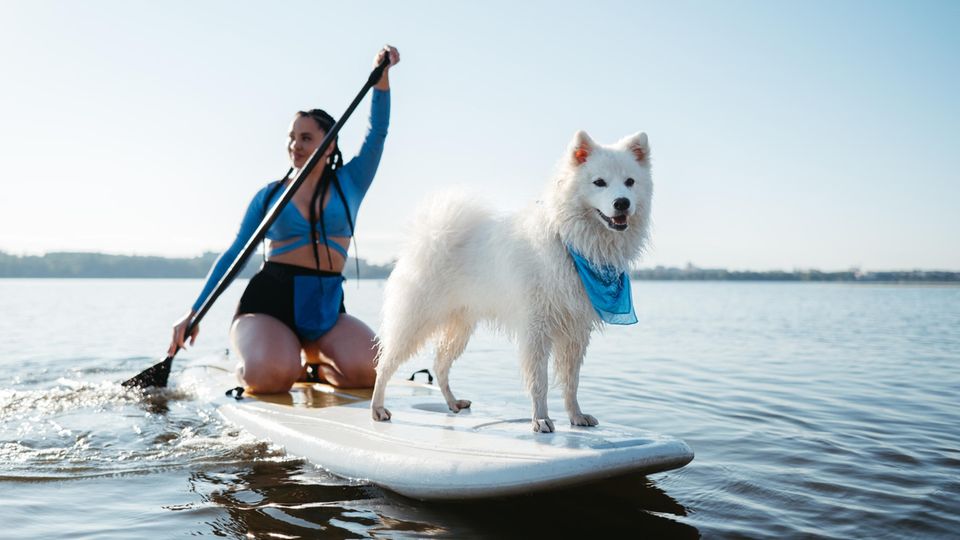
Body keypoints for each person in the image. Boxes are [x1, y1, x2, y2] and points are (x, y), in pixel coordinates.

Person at [168, 45, 400, 393]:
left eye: (306, 138)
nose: (296, 145)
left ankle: (314, 367)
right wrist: (193, 311)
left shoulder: (351, 183)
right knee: (273, 376)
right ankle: (269, 360)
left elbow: (376, 133)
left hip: (324, 306)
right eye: (292, 137)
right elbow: (235, 255)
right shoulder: (270, 195)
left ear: (330, 143)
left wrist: (381, 82)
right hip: (269, 304)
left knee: (373, 371)